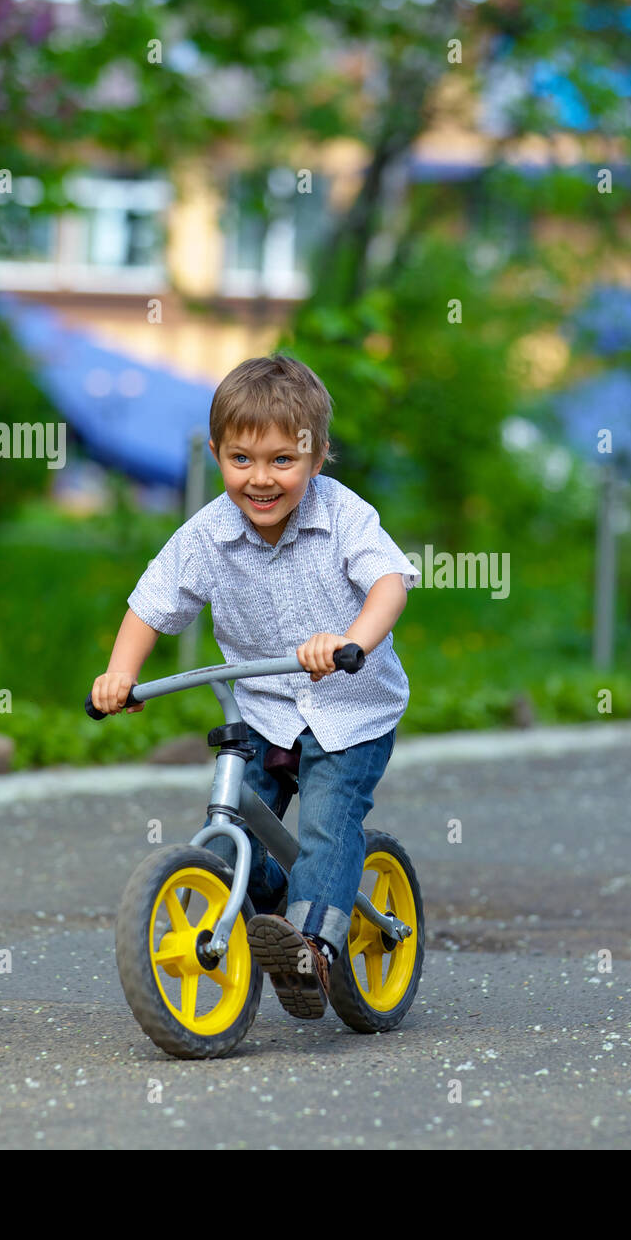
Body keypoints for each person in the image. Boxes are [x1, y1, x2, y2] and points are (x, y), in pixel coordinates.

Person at [89, 353, 418, 1019]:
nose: (260, 479)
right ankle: (256, 905)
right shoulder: (207, 535)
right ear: (216, 454)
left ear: (318, 456)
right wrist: (122, 672)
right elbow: (150, 605)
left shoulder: (345, 517)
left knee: (327, 824)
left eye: (281, 461)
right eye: (241, 460)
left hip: (351, 711)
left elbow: (391, 582)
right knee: (237, 820)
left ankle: (312, 951)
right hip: (264, 708)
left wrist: (351, 639)